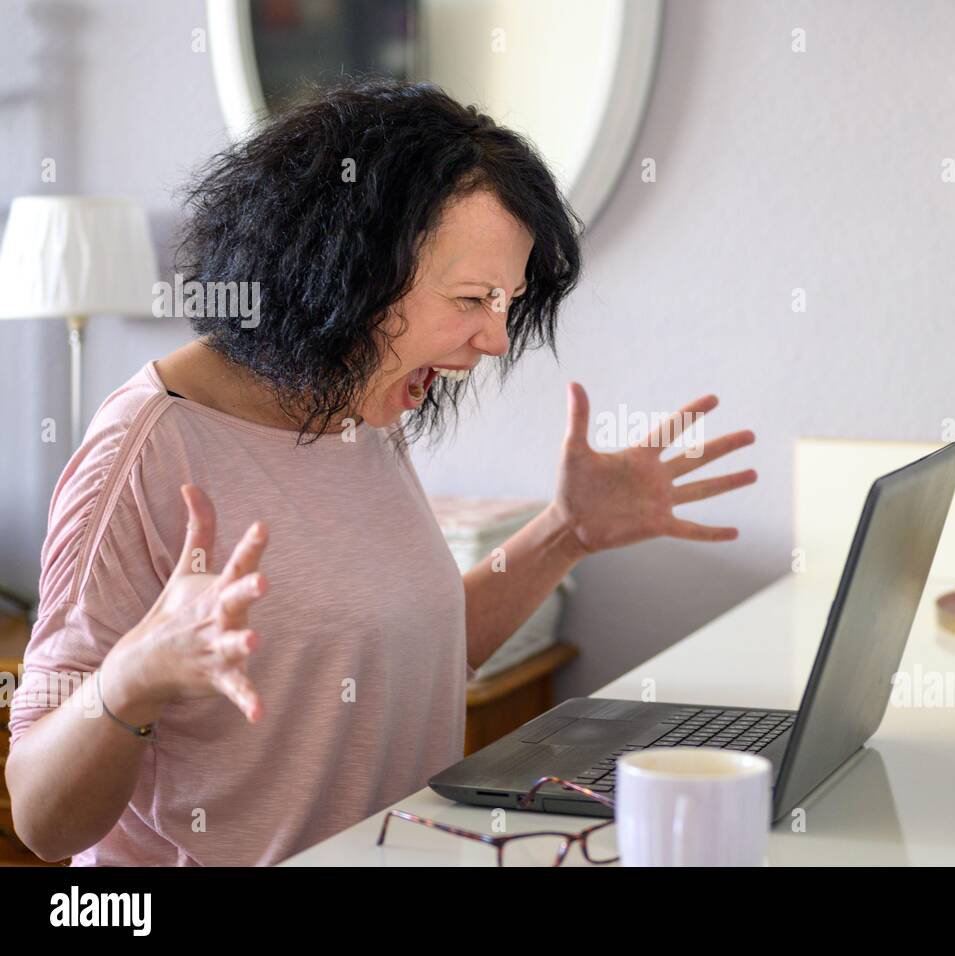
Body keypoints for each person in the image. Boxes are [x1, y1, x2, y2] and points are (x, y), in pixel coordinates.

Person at [5, 81, 757, 865]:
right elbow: (40, 817)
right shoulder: (147, 451)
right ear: (344, 272)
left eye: (508, 303)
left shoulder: (353, 406)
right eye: (472, 298)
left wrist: (566, 532)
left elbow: (408, 646)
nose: (496, 340)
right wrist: (131, 679)